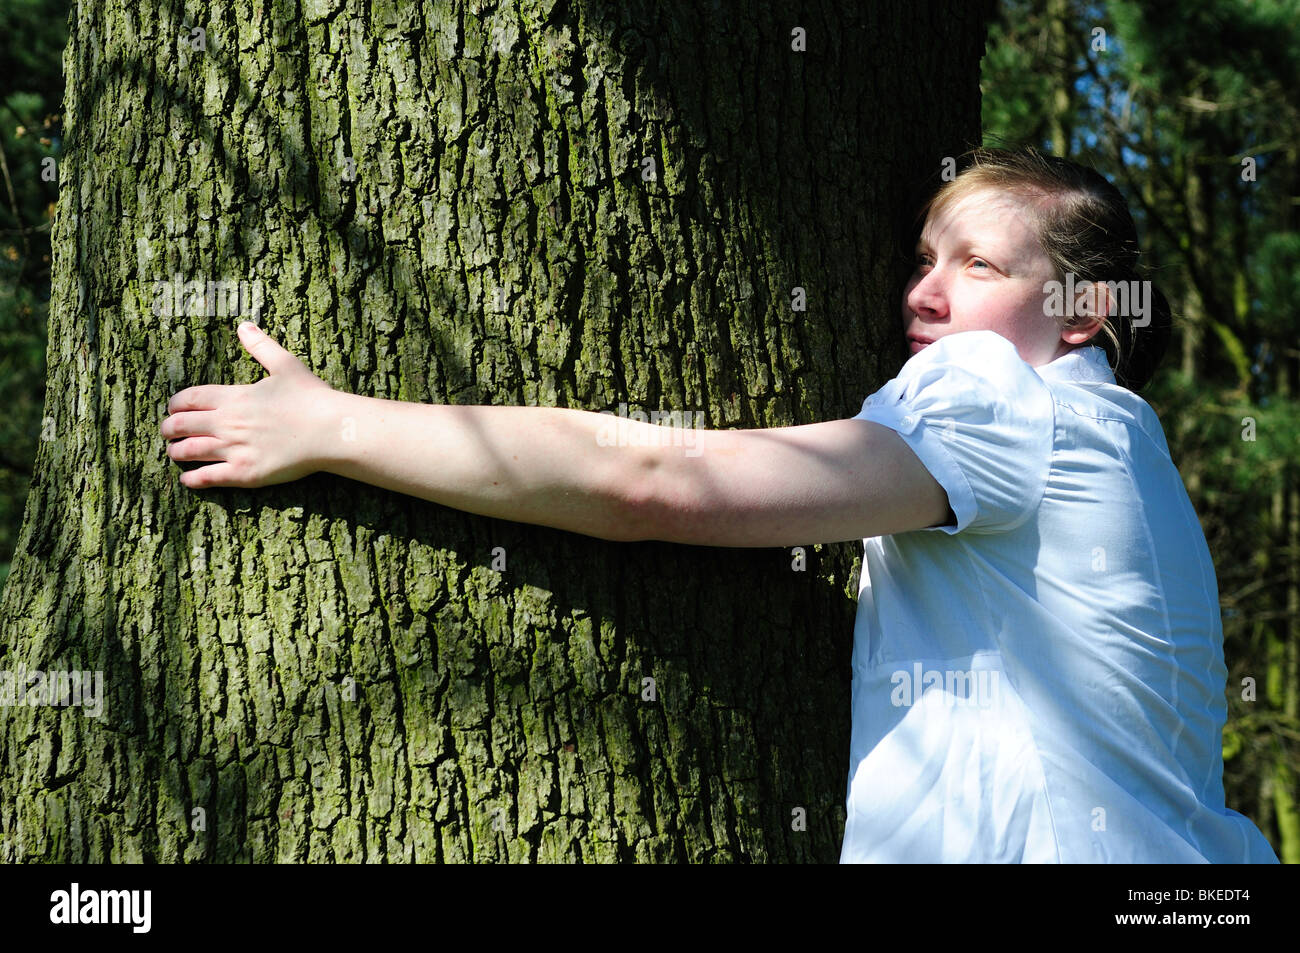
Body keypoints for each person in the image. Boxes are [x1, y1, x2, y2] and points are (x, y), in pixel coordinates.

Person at [160, 145, 1279, 863]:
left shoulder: (997, 396)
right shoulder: (1126, 455)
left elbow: (657, 482)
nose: (920, 293)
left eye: (976, 266)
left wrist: (331, 428)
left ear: (1081, 314)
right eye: (923, 257)